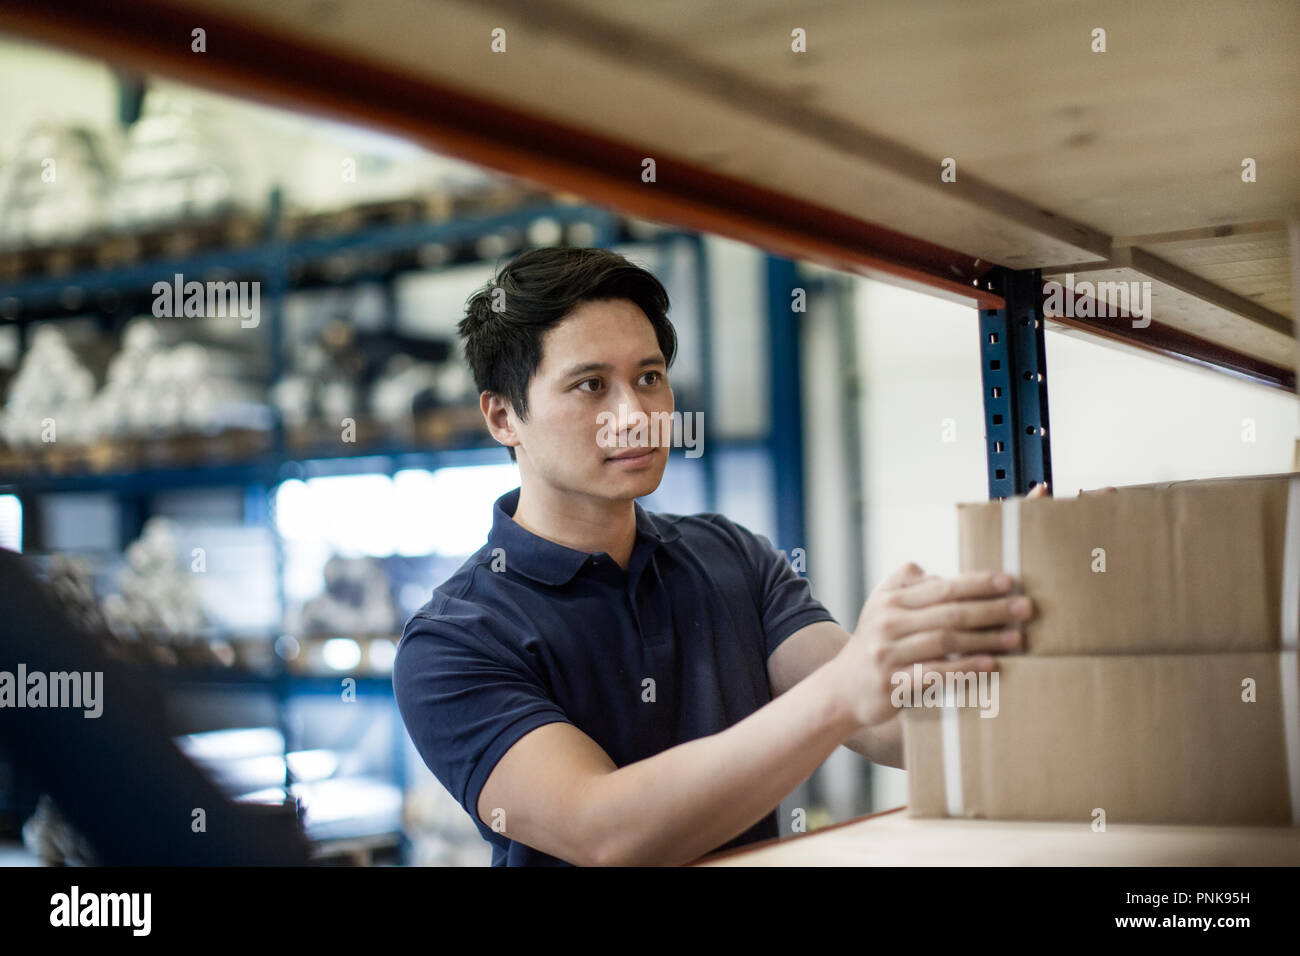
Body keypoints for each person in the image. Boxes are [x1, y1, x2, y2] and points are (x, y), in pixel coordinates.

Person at [391, 247, 1038, 866]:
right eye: (591, 386)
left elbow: (890, 724)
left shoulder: (731, 555)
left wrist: (1038, 609)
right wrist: (845, 692)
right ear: (503, 418)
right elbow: (604, 833)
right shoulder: (451, 644)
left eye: (649, 378)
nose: (636, 414)